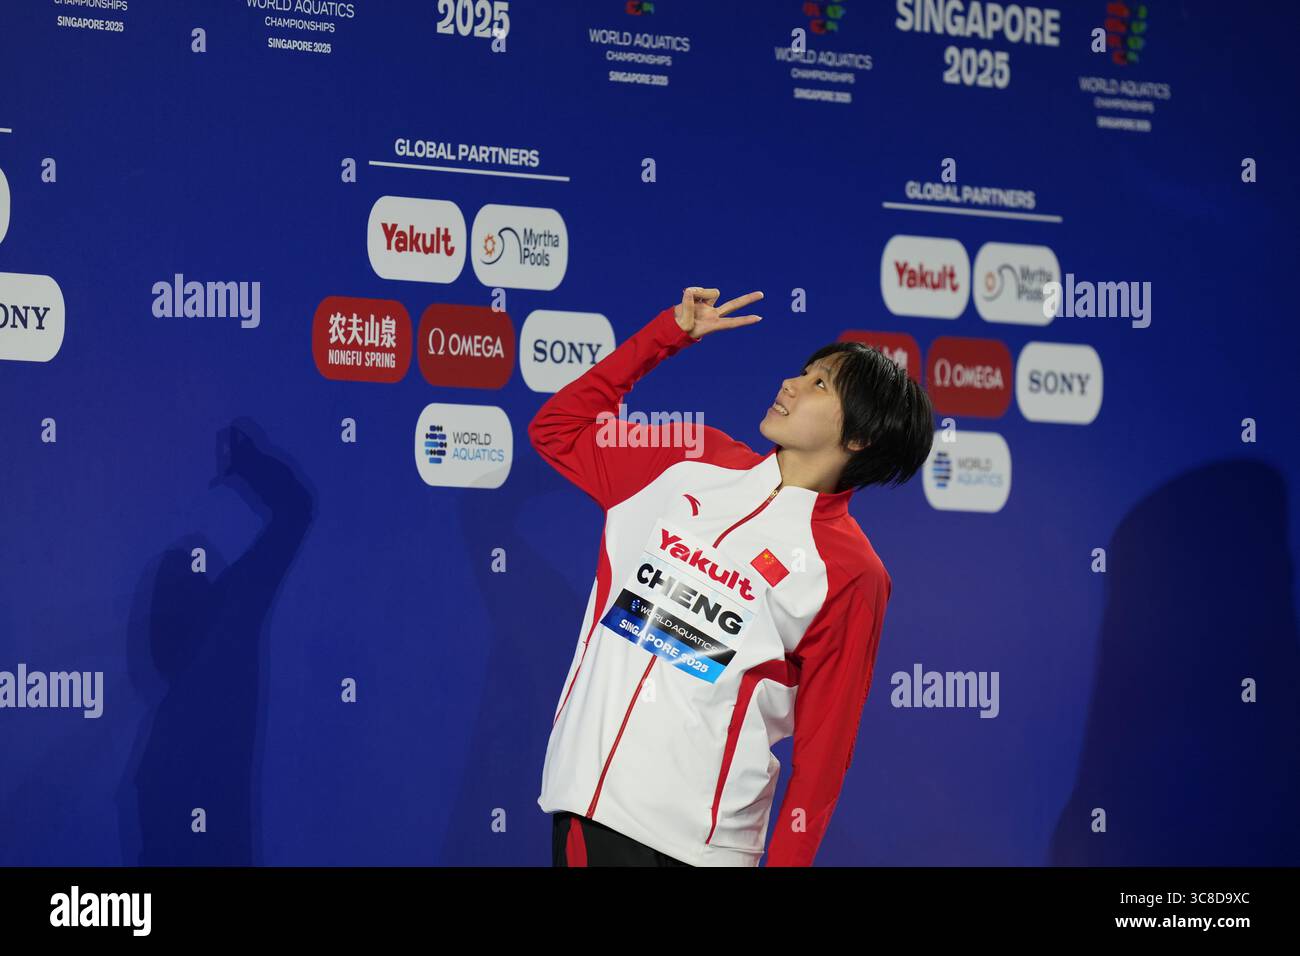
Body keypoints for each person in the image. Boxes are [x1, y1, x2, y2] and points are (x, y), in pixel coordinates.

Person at [531, 286, 934, 867]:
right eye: (802, 372)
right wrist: (666, 335)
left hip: (702, 848)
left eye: (820, 384)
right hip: (588, 806)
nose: (790, 384)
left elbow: (825, 753)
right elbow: (557, 431)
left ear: (860, 437)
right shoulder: (688, 462)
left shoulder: (851, 572)